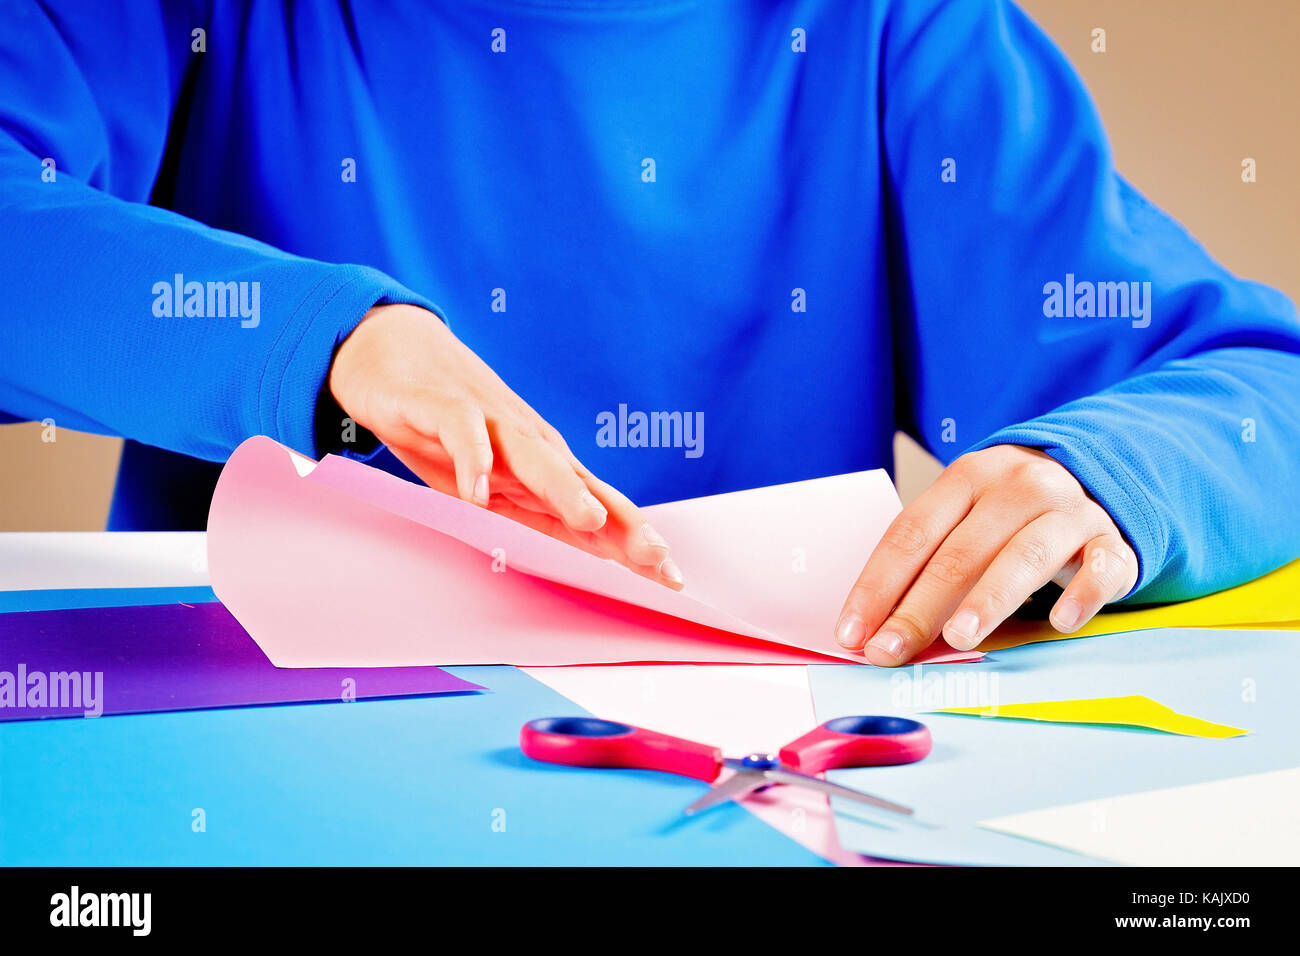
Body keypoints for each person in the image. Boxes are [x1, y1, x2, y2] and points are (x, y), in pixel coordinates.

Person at [2, 0, 1297, 666]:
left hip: (764, 792)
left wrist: (1098, 480)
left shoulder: (895, 33)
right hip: (250, 781)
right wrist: (319, 341)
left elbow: (1253, 393)